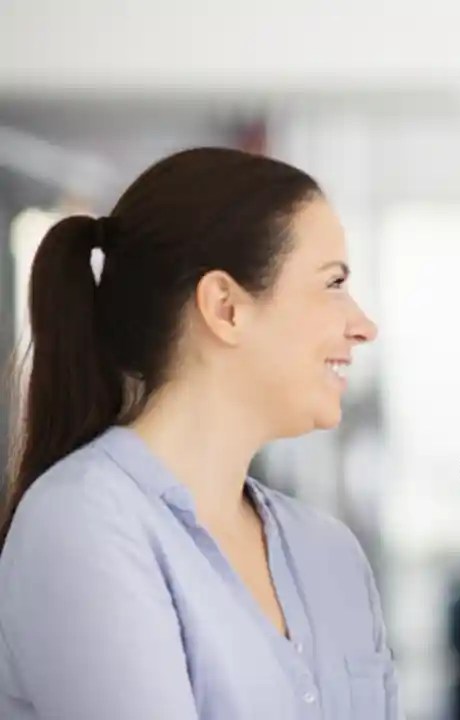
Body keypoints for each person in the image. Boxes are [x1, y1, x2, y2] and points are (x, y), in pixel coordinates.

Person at [0, 147, 399, 719]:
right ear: (226, 308)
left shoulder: (330, 553)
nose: (363, 325)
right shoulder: (84, 524)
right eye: (333, 282)